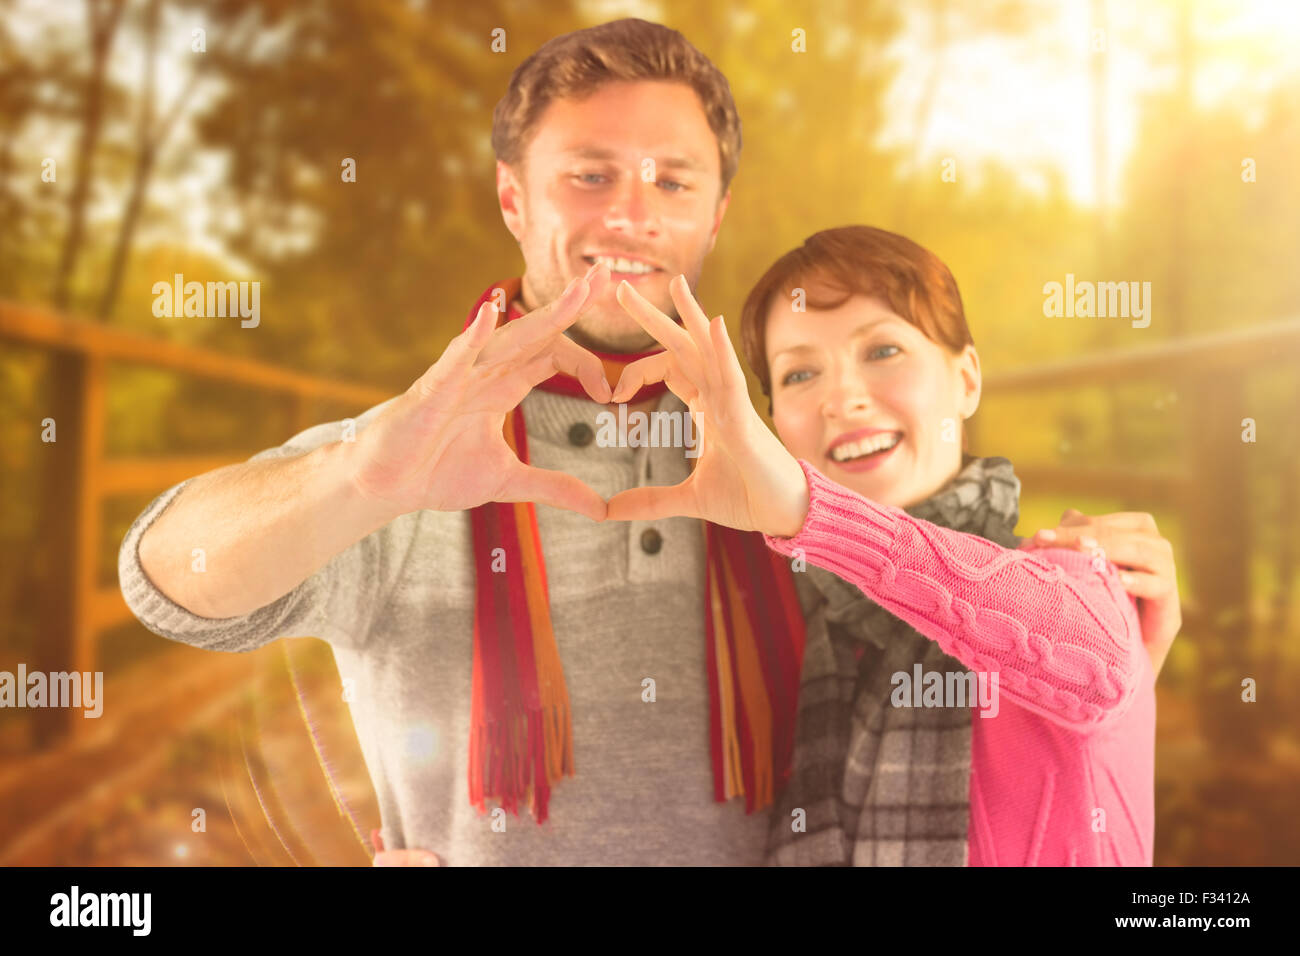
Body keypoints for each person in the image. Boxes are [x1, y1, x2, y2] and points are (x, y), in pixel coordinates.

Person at [118, 20, 1179, 866]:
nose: (633, 212)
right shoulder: (415, 448)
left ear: (714, 216)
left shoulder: (783, 460)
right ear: (511, 198)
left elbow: (966, 632)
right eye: (590, 174)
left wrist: (1109, 670)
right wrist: (363, 473)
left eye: (673, 180)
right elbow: (169, 582)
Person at [604, 225, 1171, 864]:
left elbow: (1096, 661)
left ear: (966, 379)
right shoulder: (788, 626)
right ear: (777, 427)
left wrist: (808, 511)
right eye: (800, 374)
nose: (842, 398)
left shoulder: (1076, 574)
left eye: (882, 352)